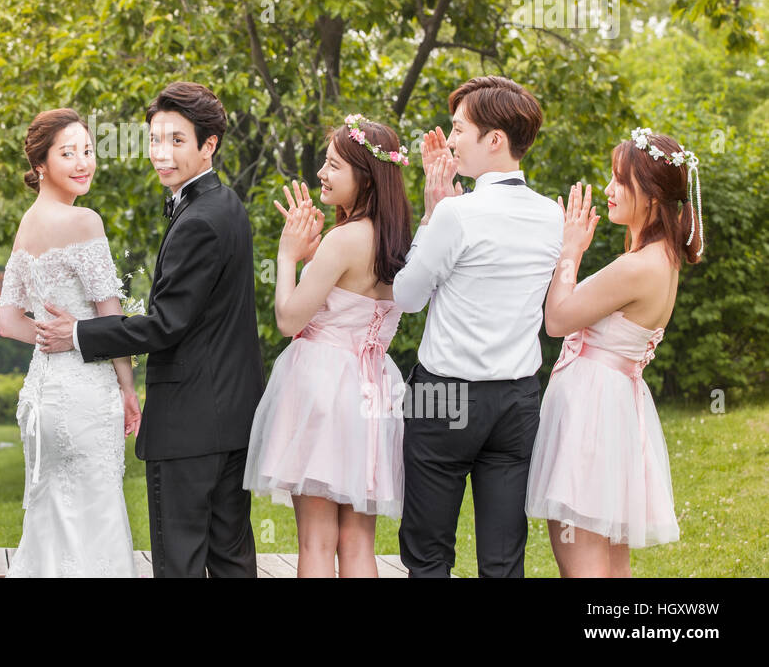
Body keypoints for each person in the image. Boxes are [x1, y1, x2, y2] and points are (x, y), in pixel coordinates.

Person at [35, 81, 265, 578]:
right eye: (156, 139)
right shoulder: (226, 205)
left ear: (209, 145)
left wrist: (80, 334)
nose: (161, 153)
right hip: (231, 417)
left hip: (189, 425)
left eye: (177, 141)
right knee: (230, 558)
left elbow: (166, 326)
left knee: (179, 562)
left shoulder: (200, 220)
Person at [392, 75, 563, 578]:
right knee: (504, 558)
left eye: (458, 128)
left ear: (494, 140)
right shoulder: (551, 216)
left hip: (444, 393)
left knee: (427, 553)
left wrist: (431, 212)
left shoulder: (456, 214)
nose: (449, 139)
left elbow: (406, 297)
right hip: (517, 397)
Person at [526, 128, 703, 576]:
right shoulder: (663, 258)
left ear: (649, 192)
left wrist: (570, 250)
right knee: (609, 560)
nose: (607, 190)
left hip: (592, 412)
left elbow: (558, 320)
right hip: (613, 407)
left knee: (581, 561)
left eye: (618, 180)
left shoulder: (636, 267)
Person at [244, 114, 413, 577]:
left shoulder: (344, 240)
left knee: (316, 543)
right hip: (374, 388)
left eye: (334, 164)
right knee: (359, 542)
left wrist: (287, 255)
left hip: (324, 384)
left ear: (365, 177)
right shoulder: (398, 243)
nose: (322, 171)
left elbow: (287, 319)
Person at [0, 109, 141, 577]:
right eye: (68, 153)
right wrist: (129, 389)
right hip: (84, 394)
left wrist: (51, 338)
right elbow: (110, 316)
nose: (83, 163)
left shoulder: (26, 224)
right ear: (40, 164)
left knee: (52, 516)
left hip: (41, 396)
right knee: (95, 513)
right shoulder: (84, 221)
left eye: (88, 150)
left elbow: (6, 321)